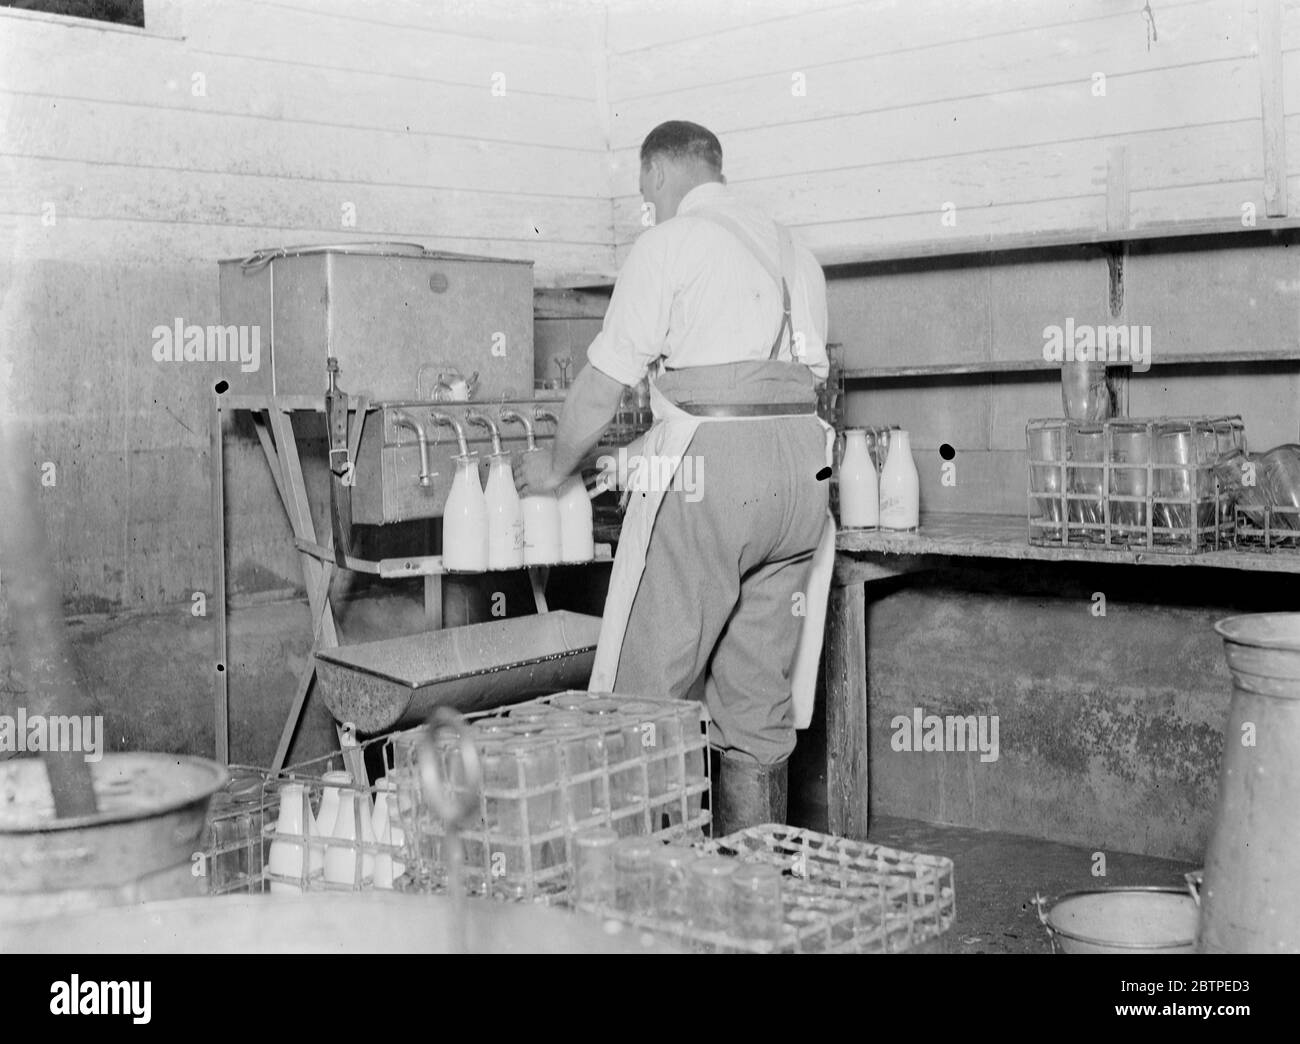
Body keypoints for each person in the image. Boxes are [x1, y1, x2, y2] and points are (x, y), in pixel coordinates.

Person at [518, 120, 832, 832]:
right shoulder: (797, 251)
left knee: (642, 695)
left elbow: (602, 386)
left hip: (714, 476)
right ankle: (752, 896)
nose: (647, 207)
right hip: (803, 476)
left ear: (658, 174)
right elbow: (785, 385)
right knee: (755, 697)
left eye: (644, 193)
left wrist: (555, 467)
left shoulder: (670, 243)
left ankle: (642, 899)